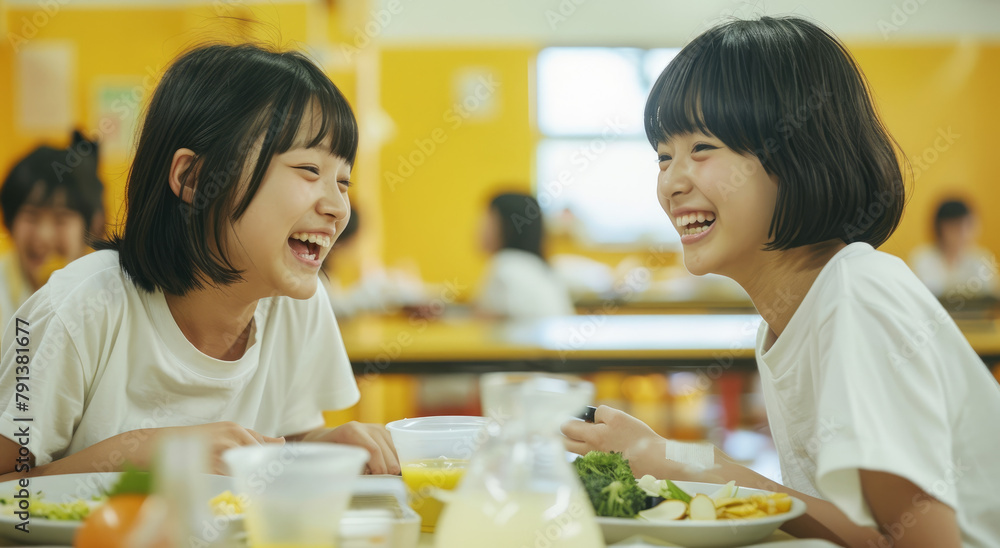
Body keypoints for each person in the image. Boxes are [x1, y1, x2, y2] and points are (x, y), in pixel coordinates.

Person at [561, 16, 1000, 548]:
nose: (672, 182)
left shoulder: (856, 297)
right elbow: (860, 530)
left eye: (702, 148)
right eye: (663, 156)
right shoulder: (793, 315)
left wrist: (684, 464)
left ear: (797, 155)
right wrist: (668, 455)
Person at [0, 44, 399, 479]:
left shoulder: (296, 304)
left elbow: (287, 440)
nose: (339, 207)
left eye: (343, 180)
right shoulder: (80, 308)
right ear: (195, 178)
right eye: (308, 169)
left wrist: (323, 448)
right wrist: (138, 453)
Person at [0, 131, 104, 331]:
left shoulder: (107, 295)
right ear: (10, 220)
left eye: (61, 218)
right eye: (31, 215)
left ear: (92, 225)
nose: (44, 236)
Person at [474, 192, 574, 318]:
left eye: (487, 220)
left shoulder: (506, 265)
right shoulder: (538, 267)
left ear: (506, 226)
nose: (478, 228)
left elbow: (482, 322)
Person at [909, 199, 997, 299]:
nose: (962, 232)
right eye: (955, 226)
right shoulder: (922, 258)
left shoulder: (981, 259)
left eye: (967, 225)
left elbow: (991, 297)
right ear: (940, 228)